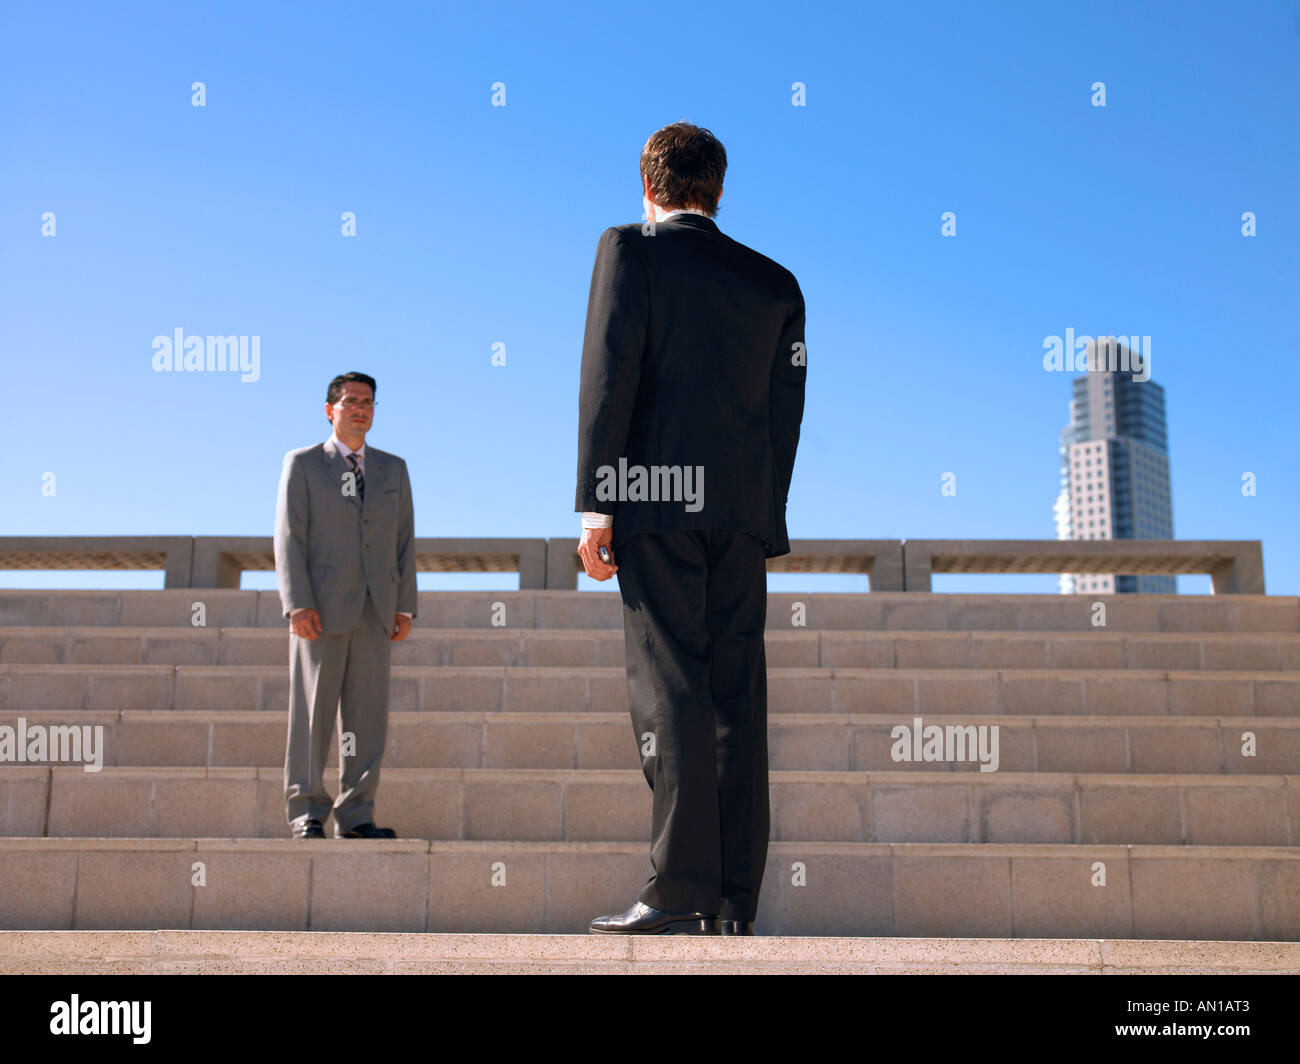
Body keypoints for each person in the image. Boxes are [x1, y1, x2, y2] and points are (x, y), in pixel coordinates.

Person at [575, 123, 807, 935]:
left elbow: (612, 375)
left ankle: (678, 889)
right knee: (737, 699)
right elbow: (787, 411)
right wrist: (764, 513)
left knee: (671, 688)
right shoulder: (777, 283)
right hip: (742, 515)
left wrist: (598, 502)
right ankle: (736, 900)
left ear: (648, 184)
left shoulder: (627, 249)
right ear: (719, 188)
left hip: (656, 499)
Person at [274, 371, 417, 839]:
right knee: (312, 714)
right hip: (320, 610)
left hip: (377, 611)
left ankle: (356, 815)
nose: (361, 409)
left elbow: (403, 541)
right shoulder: (303, 464)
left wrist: (404, 606)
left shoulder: (393, 469)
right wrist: (296, 603)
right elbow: (289, 538)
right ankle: (306, 810)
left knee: (367, 719)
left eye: (369, 402)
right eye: (352, 401)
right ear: (329, 409)